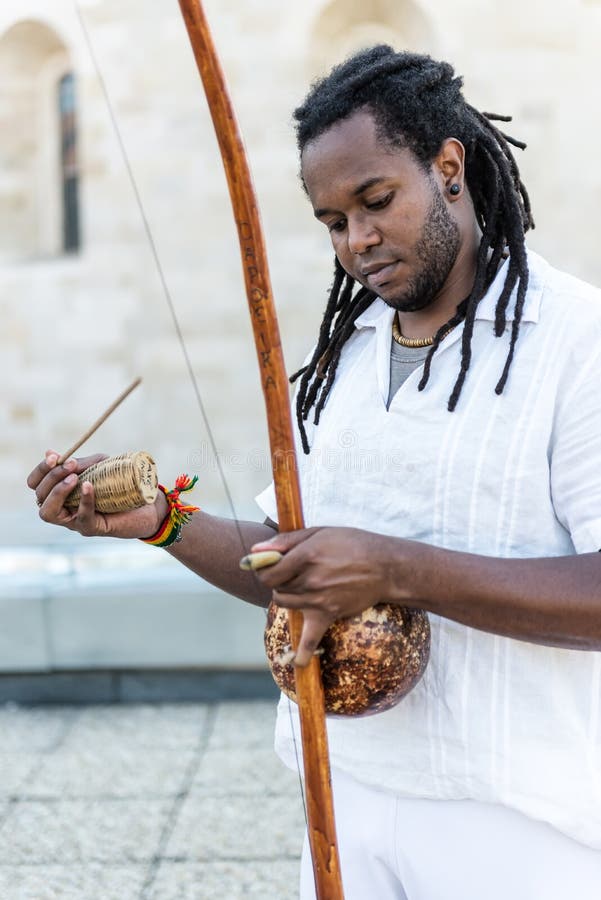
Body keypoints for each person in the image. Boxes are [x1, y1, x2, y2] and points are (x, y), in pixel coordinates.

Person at [28, 46, 601, 900]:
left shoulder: (574, 342)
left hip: (520, 817)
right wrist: (159, 520)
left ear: (448, 168)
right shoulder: (346, 359)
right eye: (332, 222)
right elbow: (295, 563)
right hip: (346, 787)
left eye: (375, 202)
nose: (357, 242)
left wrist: (395, 567)